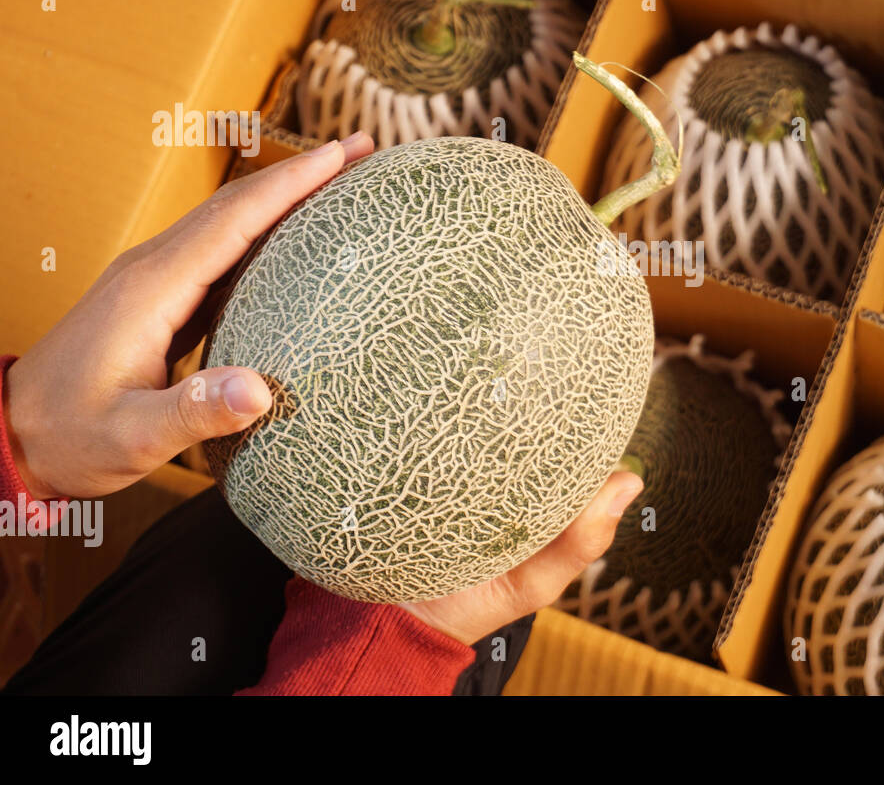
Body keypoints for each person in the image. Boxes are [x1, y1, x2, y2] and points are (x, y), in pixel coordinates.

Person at [0, 131, 643, 695]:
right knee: (237, 553)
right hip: (341, 542)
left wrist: (25, 442)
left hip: (285, 499)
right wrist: (395, 649)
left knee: (229, 552)